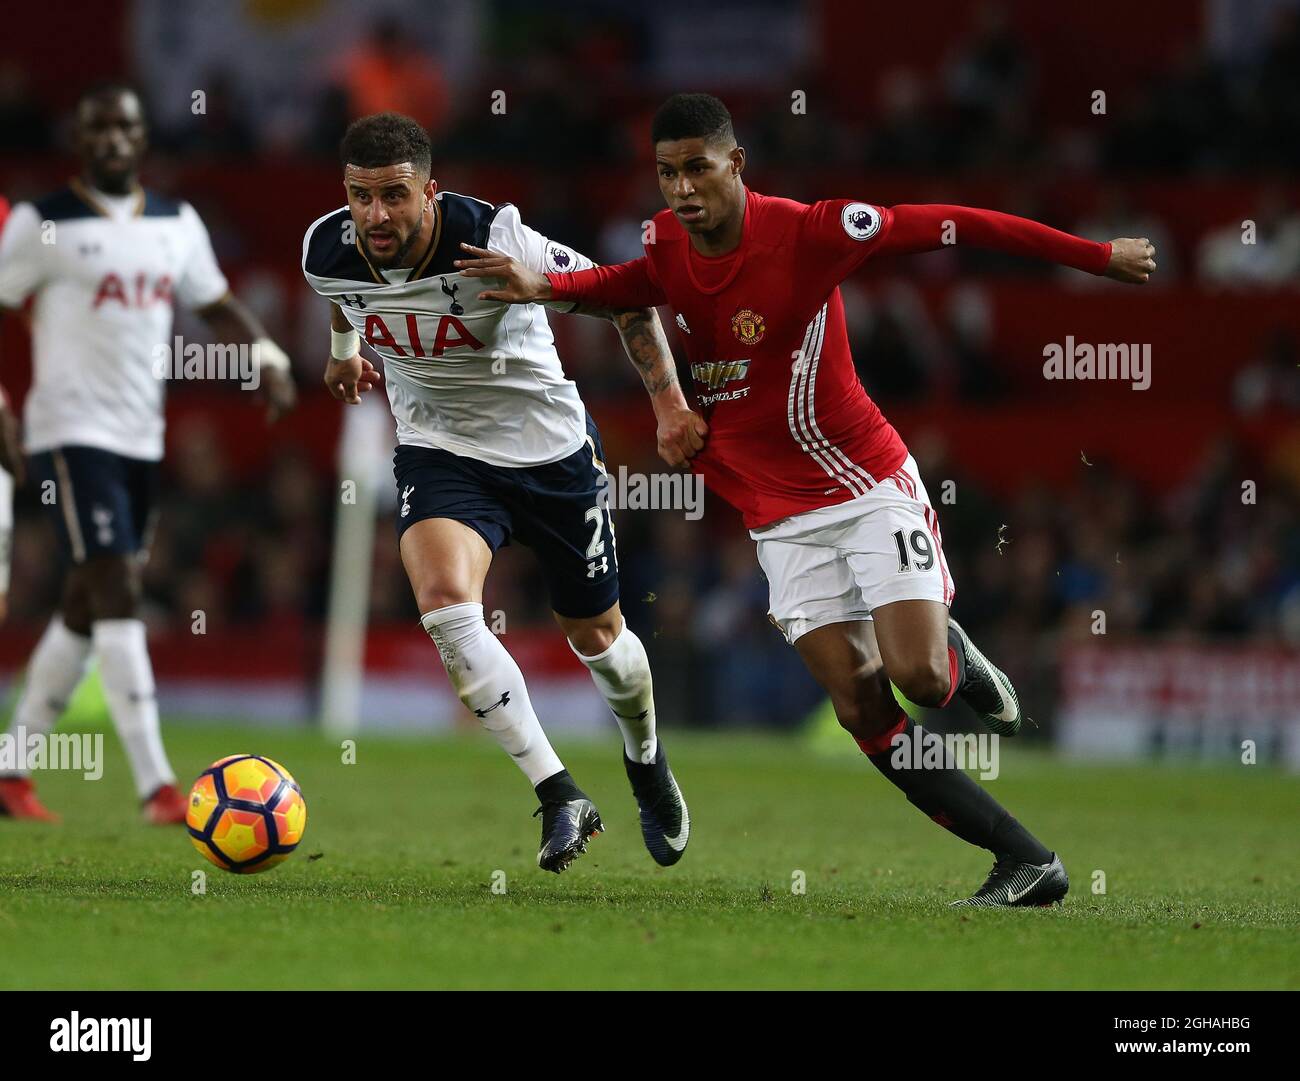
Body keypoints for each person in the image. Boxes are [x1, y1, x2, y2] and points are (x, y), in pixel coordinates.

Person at [455, 92, 1158, 906]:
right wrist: (546, 286)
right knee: (860, 705)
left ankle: (954, 652)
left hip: (863, 482)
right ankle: (1024, 860)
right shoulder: (664, 241)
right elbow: (627, 286)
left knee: (921, 679)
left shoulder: (813, 229)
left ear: (736, 164)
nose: (682, 189)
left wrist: (1096, 256)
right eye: (667, 172)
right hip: (777, 518)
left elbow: (951, 223)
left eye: (697, 169)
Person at [304, 112, 692, 873]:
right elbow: (339, 292)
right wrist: (344, 354)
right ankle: (558, 792)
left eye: (394, 196)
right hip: (440, 448)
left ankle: (645, 758)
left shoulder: (497, 240)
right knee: (446, 604)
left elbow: (627, 299)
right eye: (360, 197)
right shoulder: (328, 246)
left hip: (549, 452)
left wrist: (670, 406)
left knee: (599, 642)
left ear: (430, 191)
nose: (376, 216)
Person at [0, 84, 297, 824]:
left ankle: (10, 769)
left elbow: (214, 298)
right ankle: (158, 784)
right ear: (79, 138)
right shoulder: (43, 222)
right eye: (98, 129)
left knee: (86, 599)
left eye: (124, 128)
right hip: (70, 430)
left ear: (142, 137)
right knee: (116, 588)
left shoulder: (175, 221)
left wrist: (264, 352)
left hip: (141, 434)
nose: (112, 141)